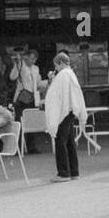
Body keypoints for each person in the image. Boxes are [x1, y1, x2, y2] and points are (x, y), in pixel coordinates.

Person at [44, 52, 87, 181]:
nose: (55, 68)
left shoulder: (63, 75)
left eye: (56, 65)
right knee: (70, 142)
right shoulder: (70, 74)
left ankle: (63, 172)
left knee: (60, 141)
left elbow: (56, 95)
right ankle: (74, 172)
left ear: (61, 63)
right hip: (71, 111)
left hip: (64, 112)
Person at [9, 49, 46, 151]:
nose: (33, 61)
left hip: (32, 97)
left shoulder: (36, 68)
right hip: (21, 98)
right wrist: (17, 65)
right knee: (20, 122)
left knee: (31, 121)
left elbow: (38, 82)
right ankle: (18, 147)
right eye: (31, 58)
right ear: (26, 57)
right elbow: (12, 77)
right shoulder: (21, 65)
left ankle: (31, 147)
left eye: (35, 59)